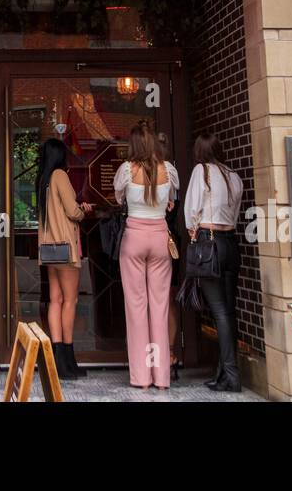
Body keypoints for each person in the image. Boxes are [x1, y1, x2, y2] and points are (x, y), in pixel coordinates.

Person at [115, 120, 178, 389]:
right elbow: (172, 201)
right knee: (160, 306)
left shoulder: (127, 171)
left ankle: (141, 376)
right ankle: (161, 376)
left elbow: (119, 199)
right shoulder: (169, 170)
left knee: (136, 307)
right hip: (160, 237)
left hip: (134, 236)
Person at [184, 133, 244, 392]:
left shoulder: (202, 171)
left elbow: (191, 210)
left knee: (218, 310)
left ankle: (230, 374)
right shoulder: (234, 176)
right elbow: (236, 213)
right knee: (228, 310)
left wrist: (192, 232)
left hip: (209, 243)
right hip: (231, 242)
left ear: (200, 151)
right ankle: (224, 370)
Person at [36, 137, 94, 380]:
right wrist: (85, 210)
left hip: (49, 249)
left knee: (55, 300)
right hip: (65, 249)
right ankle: (68, 360)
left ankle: (57, 360)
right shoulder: (60, 175)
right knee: (70, 301)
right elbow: (72, 211)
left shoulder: (43, 180)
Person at [157, 131, 184, 382]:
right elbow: (174, 204)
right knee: (169, 298)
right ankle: (171, 352)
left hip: (155, 233)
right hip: (171, 237)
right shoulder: (172, 172)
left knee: (153, 298)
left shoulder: (145, 170)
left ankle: (155, 354)